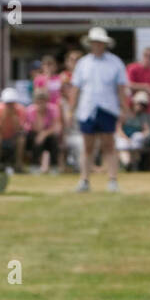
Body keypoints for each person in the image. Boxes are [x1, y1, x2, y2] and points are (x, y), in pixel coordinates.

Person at [68, 26, 128, 193]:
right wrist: (71, 109)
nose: (97, 45)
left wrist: (124, 108)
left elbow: (121, 88)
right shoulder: (83, 63)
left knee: (109, 145)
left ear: (104, 44)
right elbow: (76, 88)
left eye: (100, 43)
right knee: (87, 146)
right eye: (95, 42)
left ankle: (112, 180)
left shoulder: (115, 62)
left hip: (108, 108)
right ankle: (84, 180)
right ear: (91, 44)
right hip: (87, 108)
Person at [0, 87, 28, 172]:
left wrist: (15, 119)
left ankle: (18, 165)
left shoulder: (21, 110)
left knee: (21, 140)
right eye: (7, 103)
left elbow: (21, 130)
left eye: (12, 103)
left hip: (13, 136)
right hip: (0, 136)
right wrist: (3, 117)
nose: (10, 105)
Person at [27, 87, 62, 173]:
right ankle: (34, 165)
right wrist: (39, 113)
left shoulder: (54, 109)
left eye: (43, 101)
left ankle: (54, 166)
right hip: (35, 134)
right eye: (38, 101)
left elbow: (57, 127)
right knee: (35, 139)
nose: (41, 104)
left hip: (49, 135)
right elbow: (34, 127)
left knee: (54, 139)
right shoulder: (30, 110)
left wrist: (44, 134)